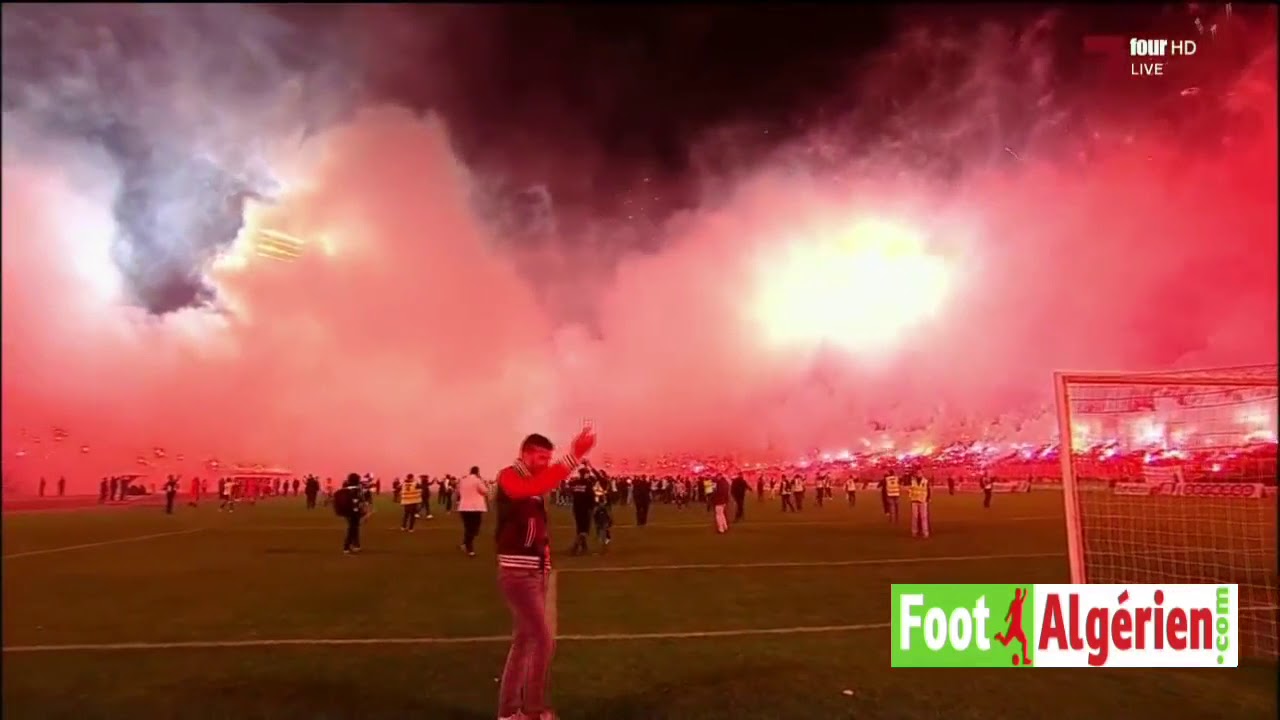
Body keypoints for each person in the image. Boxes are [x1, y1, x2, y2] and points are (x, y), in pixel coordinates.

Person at [494, 428, 596, 720]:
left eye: (547, 458)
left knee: (525, 640)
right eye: (540, 457)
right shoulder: (508, 476)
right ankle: (533, 711)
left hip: (532, 570)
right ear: (525, 453)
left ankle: (509, 712)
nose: (544, 463)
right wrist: (574, 455)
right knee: (542, 640)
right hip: (518, 572)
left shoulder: (532, 482)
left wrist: (545, 550)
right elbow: (530, 490)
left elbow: (535, 522)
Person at [457, 466, 489, 556]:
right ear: (478, 472)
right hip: (475, 507)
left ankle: (465, 544)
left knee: (468, 528)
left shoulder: (463, 480)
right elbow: (485, 491)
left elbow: (459, 492)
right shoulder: (478, 481)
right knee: (474, 529)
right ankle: (469, 547)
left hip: (463, 507)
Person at [335, 473, 366, 554]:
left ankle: (356, 545)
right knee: (352, 529)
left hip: (346, 512)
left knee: (354, 528)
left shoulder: (345, 489)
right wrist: (361, 512)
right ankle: (346, 547)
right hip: (353, 512)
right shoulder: (356, 490)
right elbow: (358, 502)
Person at [568, 467, 594, 555]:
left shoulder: (575, 483)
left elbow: (570, 489)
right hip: (585, 509)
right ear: (586, 474)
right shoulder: (588, 483)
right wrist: (592, 507)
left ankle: (584, 547)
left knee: (579, 528)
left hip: (576, 509)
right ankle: (575, 547)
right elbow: (591, 497)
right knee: (584, 530)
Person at [908, 471, 931, 539]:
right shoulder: (913, 481)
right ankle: (914, 532)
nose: (918, 474)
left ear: (922, 474)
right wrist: (910, 496)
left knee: (924, 517)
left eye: (920, 473)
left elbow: (928, 490)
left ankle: (925, 533)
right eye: (917, 473)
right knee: (914, 517)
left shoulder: (925, 481)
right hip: (914, 500)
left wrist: (928, 498)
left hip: (923, 501)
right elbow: (910, 490)